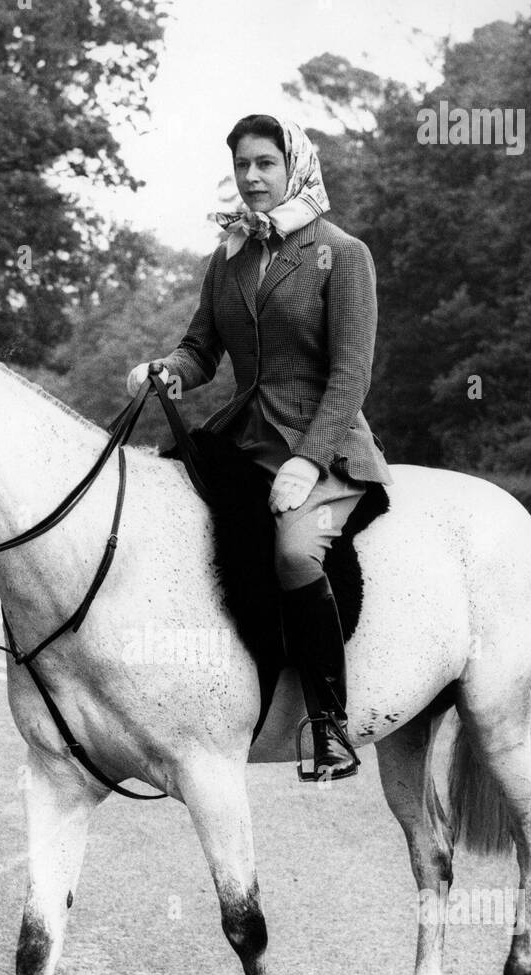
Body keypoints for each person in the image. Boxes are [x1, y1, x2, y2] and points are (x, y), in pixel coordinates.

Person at [127, 114, 392, 780]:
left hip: (326, 448)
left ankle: (329, 725)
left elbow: (350, 374)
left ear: (294, 165)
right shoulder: (230, 256)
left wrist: (306, 459)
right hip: (244, 437)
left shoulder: (343, 254)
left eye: (265, 163)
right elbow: (201, 349)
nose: (251, 178)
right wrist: (168, 371)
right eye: (242, 165)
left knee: (297, 554)